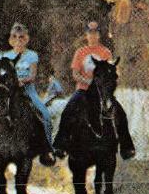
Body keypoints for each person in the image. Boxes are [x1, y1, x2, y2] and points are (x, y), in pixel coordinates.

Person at [0, 23, 55, 166]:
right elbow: (0, 73)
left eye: (22, 37)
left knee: (44, 114)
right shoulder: (6, 55)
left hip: (26, 89)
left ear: (26, 39)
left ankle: (47, 149)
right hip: (8, 91)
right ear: (11, 39)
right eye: (15, 37)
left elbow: (33, 75)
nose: (18, 39)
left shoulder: (32, 55)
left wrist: (21, 81)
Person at [53, 21, 134, 159]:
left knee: (120, 113)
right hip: (84, 90)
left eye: (95, 33)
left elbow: (110, 71)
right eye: (90, 33)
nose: (93, 35)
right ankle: (61, 145)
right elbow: (75, 74)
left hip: (103, 92)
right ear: (86, 35)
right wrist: (89, 82)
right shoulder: (81, 52)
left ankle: (127, 147)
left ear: (99, 35)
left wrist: (103, 84)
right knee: (69, 110)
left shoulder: (105, 52)